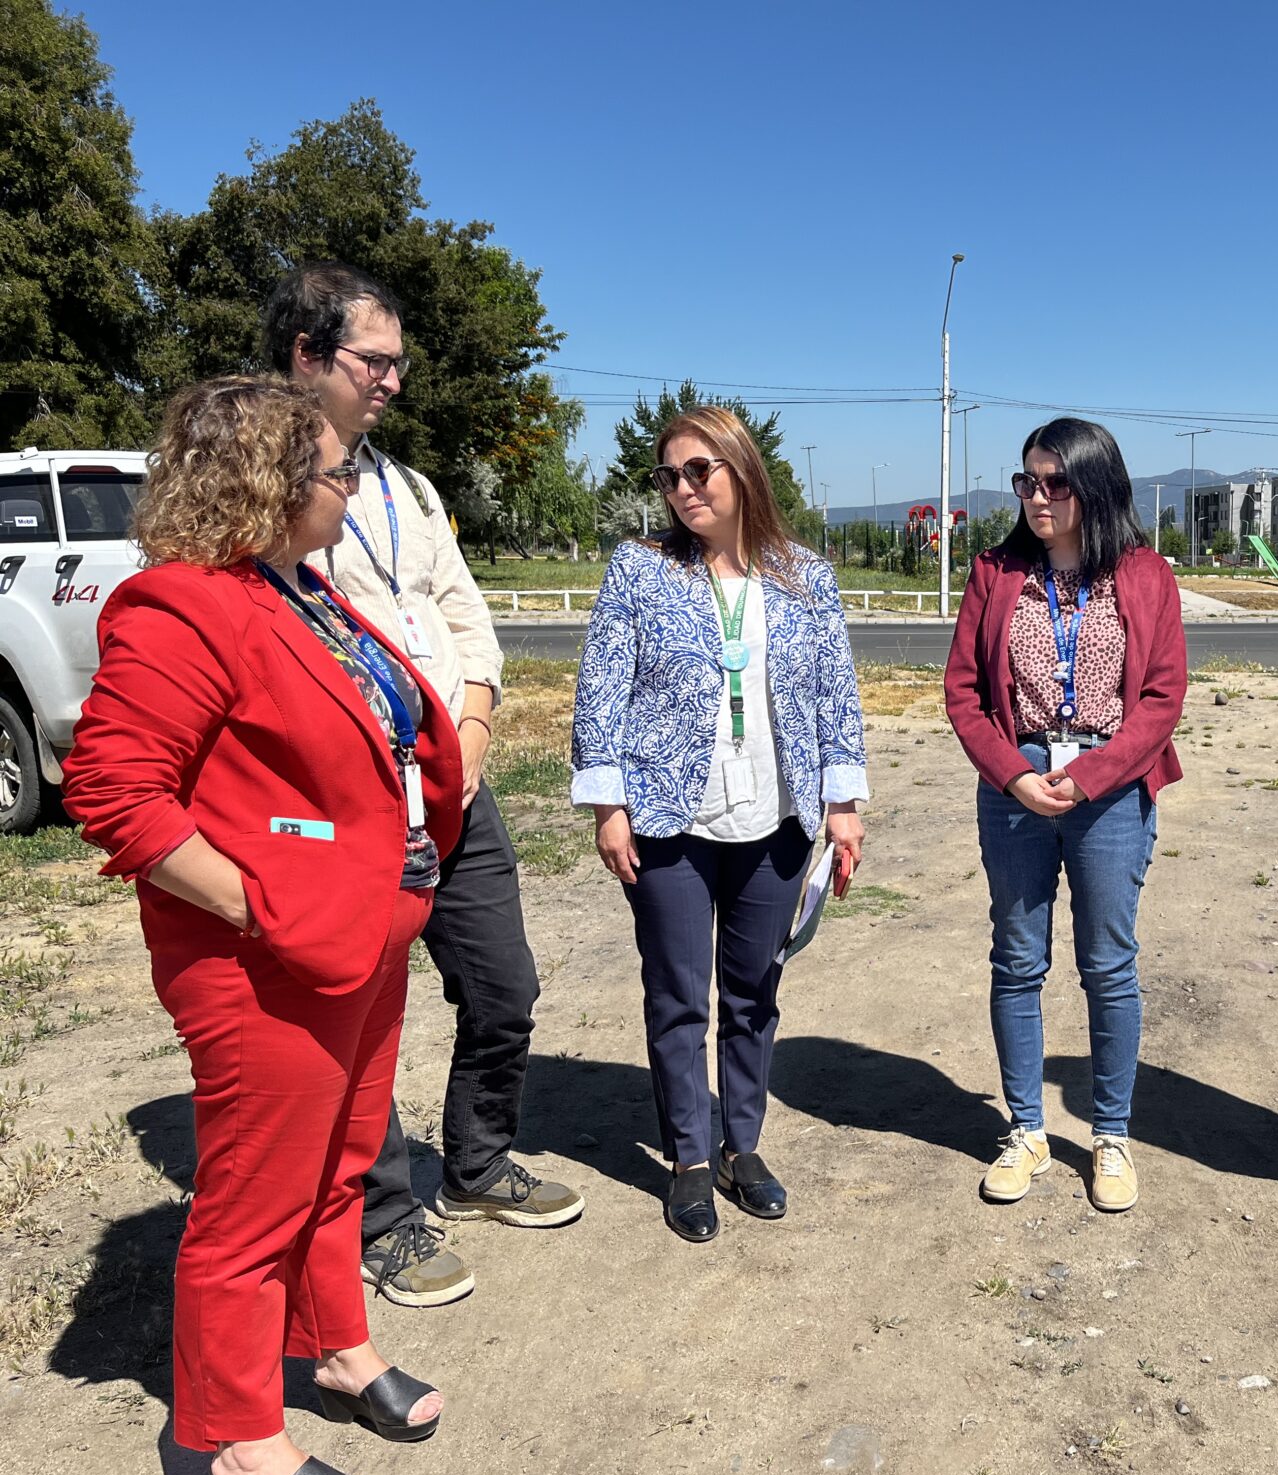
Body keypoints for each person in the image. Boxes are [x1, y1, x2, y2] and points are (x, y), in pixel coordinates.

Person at [64, 377, 464, 1475]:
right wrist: (266, 907)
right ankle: (239, 1441)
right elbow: (116, 794)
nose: (353, 483)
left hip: (362, 939)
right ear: (273, 485)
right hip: (265, 960)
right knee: (251, 1201)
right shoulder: (179, 604)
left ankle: (338, 1346)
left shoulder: (302, 592)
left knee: (341, 1164)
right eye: (338, 470)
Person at [263, 262, 581, 1311]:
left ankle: (480, 1166)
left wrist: (477, 725)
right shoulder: (259, 481)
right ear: (310, 355)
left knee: (505, 989)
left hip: (453, 783)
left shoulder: (404, 487)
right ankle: (381, 1216)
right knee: (363, 1025)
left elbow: (461, 612)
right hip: (348, 805)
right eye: (376, 360)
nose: (394, 380)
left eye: (399, 363)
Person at [571, 406, 868, 1244]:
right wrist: (608, 806)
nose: (682, 489)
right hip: (669, 821)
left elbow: (836, 697)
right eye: (668, 476)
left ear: (741, 470)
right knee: (676, 998)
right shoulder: (641, 570)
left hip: (776, 821)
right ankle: (690, 1160)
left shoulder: (807, 577)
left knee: (753, 995)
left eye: (699, 470)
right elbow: (600, 691)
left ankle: (743, 1146)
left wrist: (841, 807)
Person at [944, 417, 1187, 1212]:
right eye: (1027, 482)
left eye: (1054, 483)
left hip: (1110, 795)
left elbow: (1160, 700)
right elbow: (965, 695)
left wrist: (1088, 778)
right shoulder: (995, 570)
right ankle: (1025, 1131)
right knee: (1017, 962)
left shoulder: (1146, 575)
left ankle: (1110, 1136)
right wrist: (1014, 775)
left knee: (1108, 965)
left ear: (1094, 487)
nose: (1037, 497)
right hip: (1015, 794)